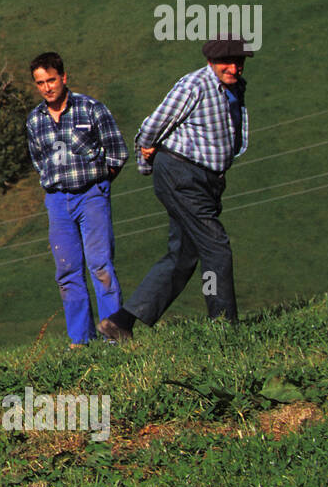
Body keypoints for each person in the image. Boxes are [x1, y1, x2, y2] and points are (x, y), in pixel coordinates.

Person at [98, 37, 252, 341]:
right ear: (211, 61)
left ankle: (121, 321)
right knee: (216, 247)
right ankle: (224, 327)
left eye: (239, 62)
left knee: (183, 255)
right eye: (227, 63)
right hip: (181, 174)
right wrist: (147, 156)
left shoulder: (236, 86)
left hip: (205, 179)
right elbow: (153, 125)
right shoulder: (193, 86)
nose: (233, 68)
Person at [25, 52, 129, 346]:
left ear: (64, 77)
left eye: (51, 80)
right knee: (67, 271)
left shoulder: (91, 109)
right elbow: (38, 160)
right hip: (57, 201)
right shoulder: (35, 120)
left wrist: (98, 184)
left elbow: (117, 152)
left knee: (101, 266)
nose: (47, 87)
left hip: (91, 194)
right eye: (40, 83)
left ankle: (114, 336)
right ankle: (80, 341)